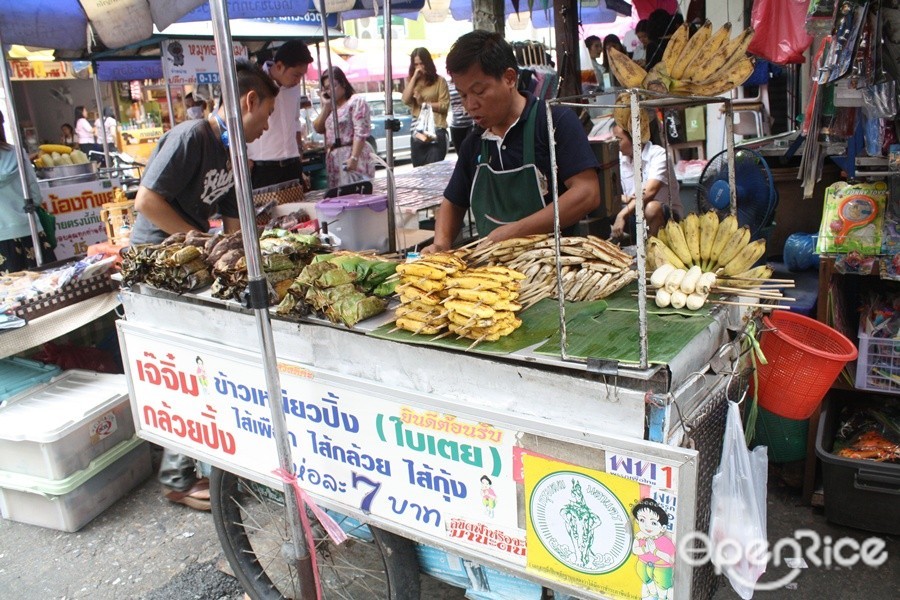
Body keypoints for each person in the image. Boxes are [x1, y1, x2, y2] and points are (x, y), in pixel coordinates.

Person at [131, 59, 277, 510]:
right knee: (184, 365)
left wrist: (252, 250)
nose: (265, 128)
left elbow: (235, 226)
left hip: (195, 260)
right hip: (161, 263)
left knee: (209, 360)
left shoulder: (234, 155)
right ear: (248, 101)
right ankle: (177, 478)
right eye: (266, 116)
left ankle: (218, 462)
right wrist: (198, 238)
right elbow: (147, 200)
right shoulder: (191, 136)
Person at [423, 31, 600, 253]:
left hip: (552, 268)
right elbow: (453, 201)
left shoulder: (555, 123)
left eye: (478, 92)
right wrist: (440, 243)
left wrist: (515, 232)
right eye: (463, 95)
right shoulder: (474, 142)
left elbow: (587, 192)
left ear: (509, 78)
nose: (471, 105)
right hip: (493, 274)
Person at [247, 39, 314, 190]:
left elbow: (295, 120)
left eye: (301, 76)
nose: (298, 81)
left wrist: (299, 149)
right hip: (263, 168)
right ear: (279, 66)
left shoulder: (294, 88)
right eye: (295, 75)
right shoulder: (254, 83)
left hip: (292, 164)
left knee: (298, 212)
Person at [611, 103, 681, 240]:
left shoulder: (658, 155)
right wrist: (622, 198)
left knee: (651, 208)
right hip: (634, 214)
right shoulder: (620, 158)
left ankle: (651, 252)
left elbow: (649, 192)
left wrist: (621, 215)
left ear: (634, 138)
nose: (615, 143)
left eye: (618, 139)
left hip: (666, 217)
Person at [0, 110, 56, 272]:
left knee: (11, 292)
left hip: (2, 239)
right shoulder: (17, 153)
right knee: (47, 287)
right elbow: (35, 196)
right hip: (30, 229)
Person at [312, 67, 375, 189]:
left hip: (351, 154)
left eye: (333, 86)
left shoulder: (355, 102)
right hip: (334, 158)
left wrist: (354, 157)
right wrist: (326, 107)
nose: (330, 91)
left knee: (356, 194)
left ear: (343, 84)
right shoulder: (331, 108)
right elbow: (318, 128)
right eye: (326, 88)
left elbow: (360, 131)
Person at [402, 47, 450, 167]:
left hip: (436, 129)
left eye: (422, 63)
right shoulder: (412, 82)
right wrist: (414, 78)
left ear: (427, 63)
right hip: (417, 132)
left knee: (435, 170)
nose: (419, 67)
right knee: (419, 172)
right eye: (416, 64)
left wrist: (423, 103)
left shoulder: (439, 81)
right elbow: (405, 100)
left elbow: (444, 106)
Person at [447, 80, 475, 152]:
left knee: (471, 150)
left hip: (470, 122)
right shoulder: (448, 85)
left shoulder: (466, 82)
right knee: (460, 153)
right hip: (455, 124)